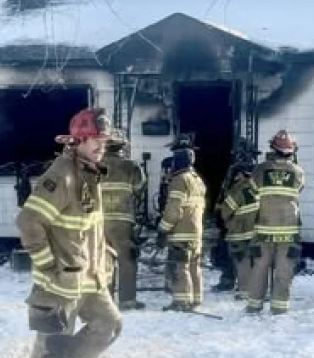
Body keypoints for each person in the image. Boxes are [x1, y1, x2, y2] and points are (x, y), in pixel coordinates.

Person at [16, 108, 122, 358]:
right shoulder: (60, 175)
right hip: (59, 283)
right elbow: (28, 222)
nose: (99, 146)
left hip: (90, 278)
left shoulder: (90, 174)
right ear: (77, 141)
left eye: (102, 141)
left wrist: (105, 256)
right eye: (93, 140)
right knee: (52, 345)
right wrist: (48, 264)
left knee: (109, 324)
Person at [246, 130, 304, 315]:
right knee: (284, 268)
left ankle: (254, 304)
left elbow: (253, 189)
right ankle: (279, 307)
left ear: (273, 148)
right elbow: (299, 188)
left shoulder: (260, 170)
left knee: (260, 267)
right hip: (289, 230)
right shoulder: (298, 172)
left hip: (264, 228)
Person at [100, 133, 147, 311]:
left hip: (99, 221)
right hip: (123, 221)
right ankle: (127, 301)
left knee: (104, 262)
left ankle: (106, 301)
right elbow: (139, 187)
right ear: (122, 148)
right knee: (127, 260)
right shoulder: (131, 167)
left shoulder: (94, 166)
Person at [157, 147, 207, 311]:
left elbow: (173, 209)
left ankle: (181, 301)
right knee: (195, 265)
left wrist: (163, 229)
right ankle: (196, 299)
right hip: (196, 232)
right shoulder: (197, 180)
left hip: (181, 233)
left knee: (181, 266)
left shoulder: (179, 180)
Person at [218, 147, 261, 302]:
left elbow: (225, 211)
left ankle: (244, 291)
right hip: (257, 231)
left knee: (242, 262)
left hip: (239, 232)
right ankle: (257, 289)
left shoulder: (238, 189)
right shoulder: (259, 187)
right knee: (257, 262)